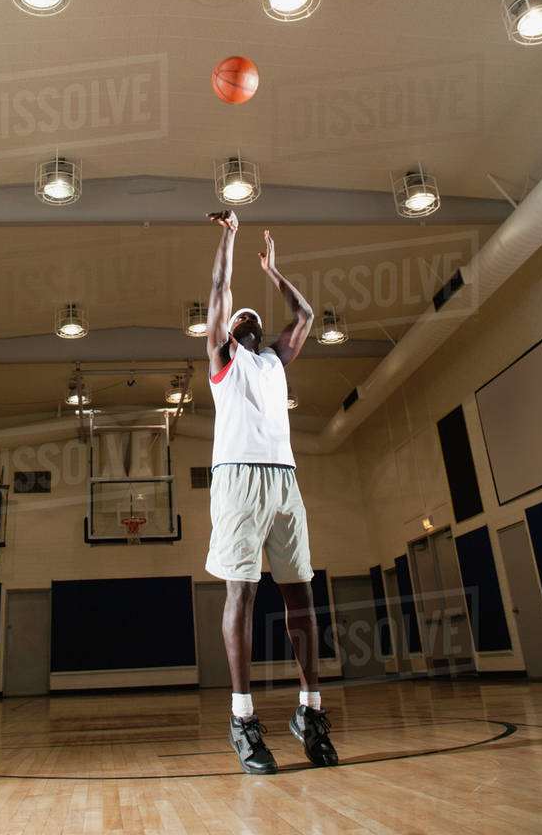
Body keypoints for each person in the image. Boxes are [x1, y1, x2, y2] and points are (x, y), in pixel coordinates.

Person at [205, 209, 338, 773]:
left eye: (256, 318)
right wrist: (230, 237)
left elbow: (306, 313)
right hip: (237, 477)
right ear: (232, 332)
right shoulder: (223, 361)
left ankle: (310, 709)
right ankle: (242, 718)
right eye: (243, 318)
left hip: (284, 480)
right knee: (243, 594)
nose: (250, 320)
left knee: (301, 594)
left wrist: (275, 271)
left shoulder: (276, 362)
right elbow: (219, 288)